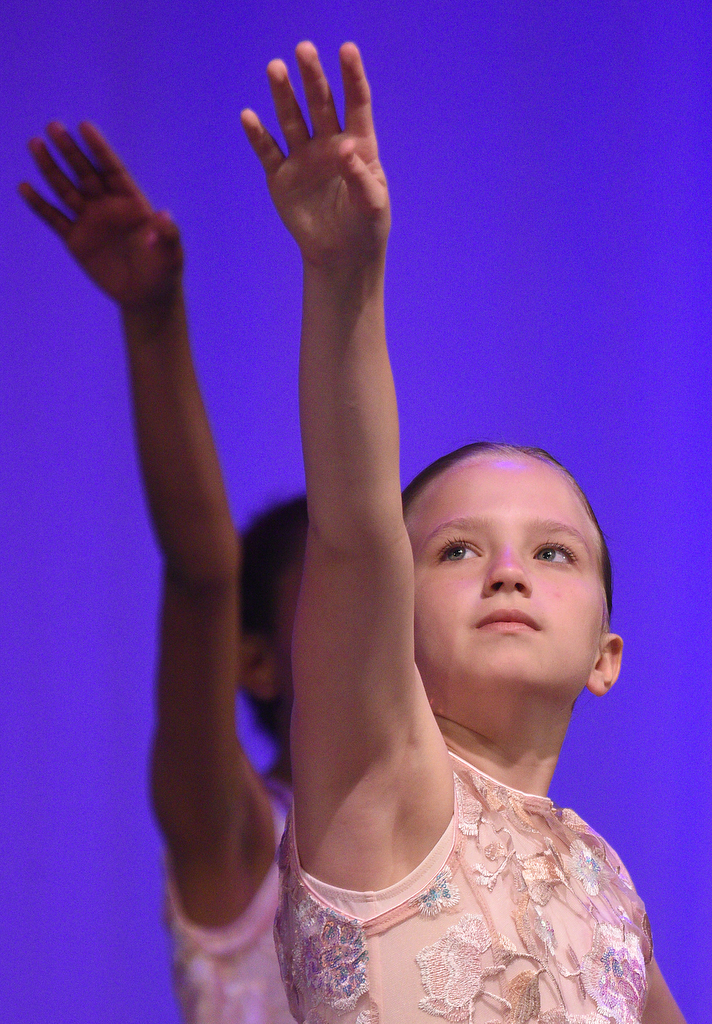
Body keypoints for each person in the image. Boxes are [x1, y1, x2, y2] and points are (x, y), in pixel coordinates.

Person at [240, 41, 687, 1023]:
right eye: (454, 550)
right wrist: (345, 277)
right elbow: (355, 529)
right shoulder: (383, 780)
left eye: (552, 552)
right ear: (393, 619)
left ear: (605, 656)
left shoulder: (609, 889)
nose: (507, 574)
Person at [19, 124, 305, 1023]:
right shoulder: (238, 833)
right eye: (336, 596)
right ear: (254, 661)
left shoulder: (499, 856)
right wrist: (154, 320)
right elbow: (202, 572)